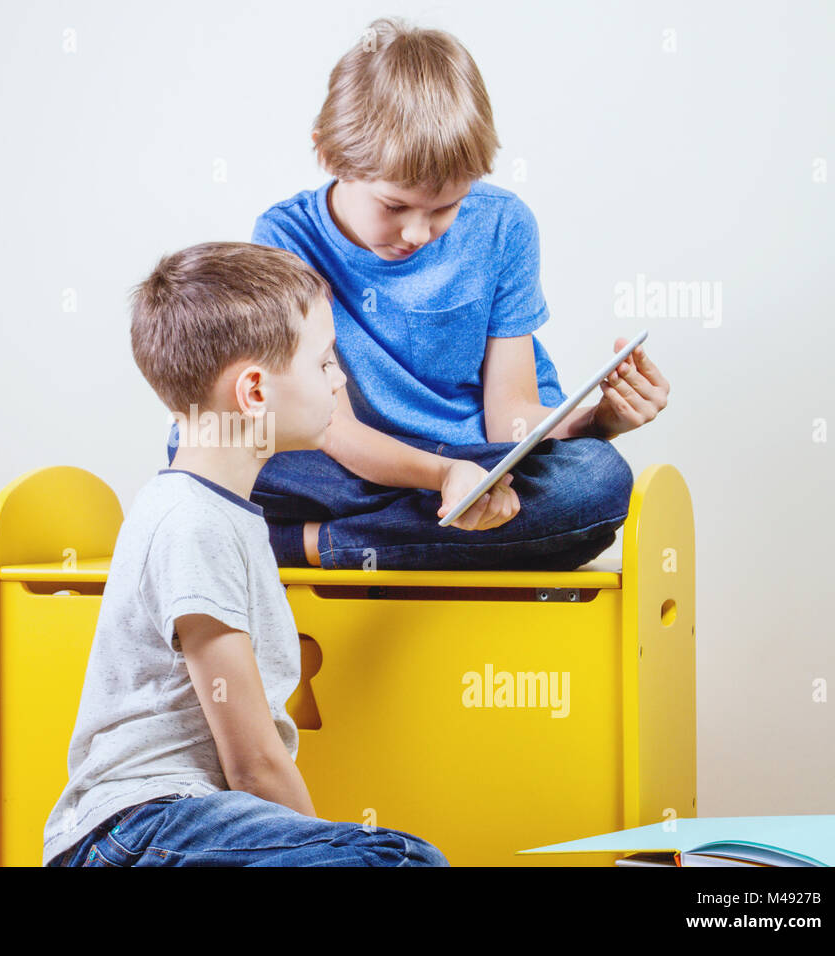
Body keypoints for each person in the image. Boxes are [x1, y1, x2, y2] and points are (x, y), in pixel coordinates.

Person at [169, 17, 671, 571]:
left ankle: (309, 544)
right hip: (352, 459)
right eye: (394, 206)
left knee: (595, 481)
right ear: (330, 156)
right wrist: (439, 477)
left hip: (485, 459)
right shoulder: (287, 237)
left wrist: (600, 419)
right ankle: (443, 533)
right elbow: (331, 427)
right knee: (197, 437)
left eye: (444, 209)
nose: (417, 233)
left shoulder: (503, 225)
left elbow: (512, 423)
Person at [43, 242, 447, 866]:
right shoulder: (193, 523)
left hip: (181, 826)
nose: (341, 380)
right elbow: (255, 765)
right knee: (396, 860)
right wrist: (327, 850)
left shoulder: (222, 513)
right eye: (324, 364)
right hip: (139, 826)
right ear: (255, 391)